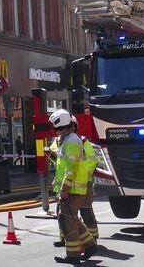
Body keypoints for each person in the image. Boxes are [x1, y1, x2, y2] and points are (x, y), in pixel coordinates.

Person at [50, 109, 97, 263]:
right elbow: (64, 164)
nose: (55, 131)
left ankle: (73, 256)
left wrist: (64, 188)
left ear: (61, 125)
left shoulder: (71, 141)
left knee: (68, 221)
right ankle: (90, 245)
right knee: (71, 218)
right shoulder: (68, 140)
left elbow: (71, 168)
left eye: (56, 128)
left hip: (72, 189)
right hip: (72, 188)